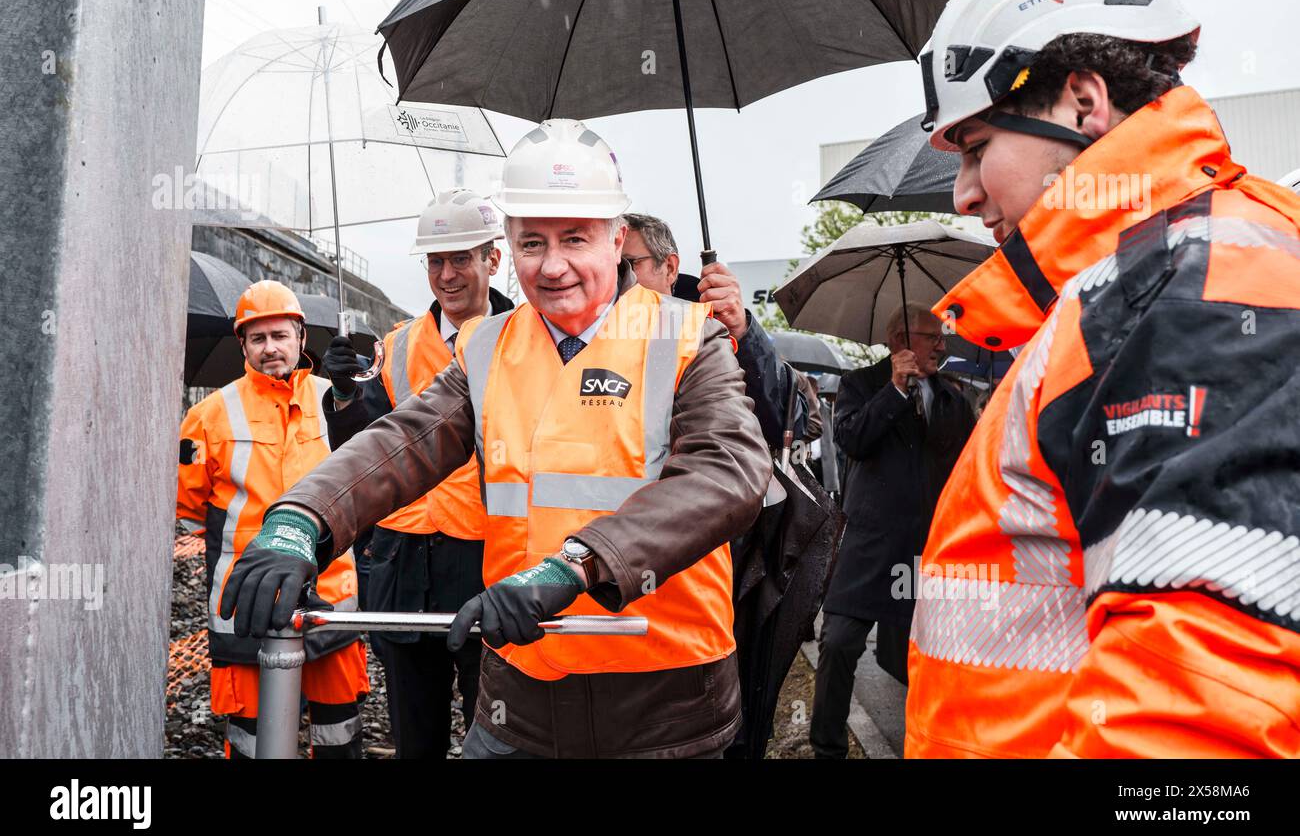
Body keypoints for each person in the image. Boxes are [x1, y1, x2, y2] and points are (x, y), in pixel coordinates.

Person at [218, 119, 772, 758]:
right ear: (509, 244)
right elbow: (401, 442)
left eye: (576, 239)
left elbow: (726, 471)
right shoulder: (488, 347)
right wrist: (301, 519)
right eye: (533, 242)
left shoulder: (687, 338)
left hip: (663, 701)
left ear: (617, 239)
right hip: (521, 693)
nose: (554, 265)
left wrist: (575, 564)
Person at [910, 0, 1300, 757]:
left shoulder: (1179, 281)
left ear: (1085, 102)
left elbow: (1200, 715)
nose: (964, 192)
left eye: (979, 146)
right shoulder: (1164, 271)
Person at [320, 190, 514, 759]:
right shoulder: (398, 345)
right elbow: (366, 447)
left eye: (461, 259)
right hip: (404, 559)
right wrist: (343, 393)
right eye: (435, 262)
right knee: (413, 731)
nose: (447, 275)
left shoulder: (529, 339)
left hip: (488, 554)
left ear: (492, 260)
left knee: (498, 730)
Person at [176, 280, 367, 759]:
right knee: (250, 740)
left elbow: (375, 475)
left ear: (301, 338)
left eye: (280, 335)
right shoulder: (208, 416)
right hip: (245, 604)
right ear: (243, 345)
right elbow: (187, 509)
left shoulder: (337, 401)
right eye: (257, 338)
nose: (270, 348)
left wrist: (353, 396)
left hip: (332, 597)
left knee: (339, 735)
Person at [810, 304, 973, 758]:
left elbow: (967, 460)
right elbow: (852, 440)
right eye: (932, 337)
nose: (943, 345)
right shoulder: (860, 384)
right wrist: (895, 391)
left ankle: (933, 743)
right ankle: (828, 749)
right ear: (901, 339)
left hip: (929, 546)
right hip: (871, 543)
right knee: (840, 642)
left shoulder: (952, 396)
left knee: (925, 656)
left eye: (942, 337)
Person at [621, 212, 809, 449]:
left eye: (627, 264)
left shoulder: (711, 329)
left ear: (669, 267)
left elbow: (790, 427)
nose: (618, 277)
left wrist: (742, 332)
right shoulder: (582, 334)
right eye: (609, 265)